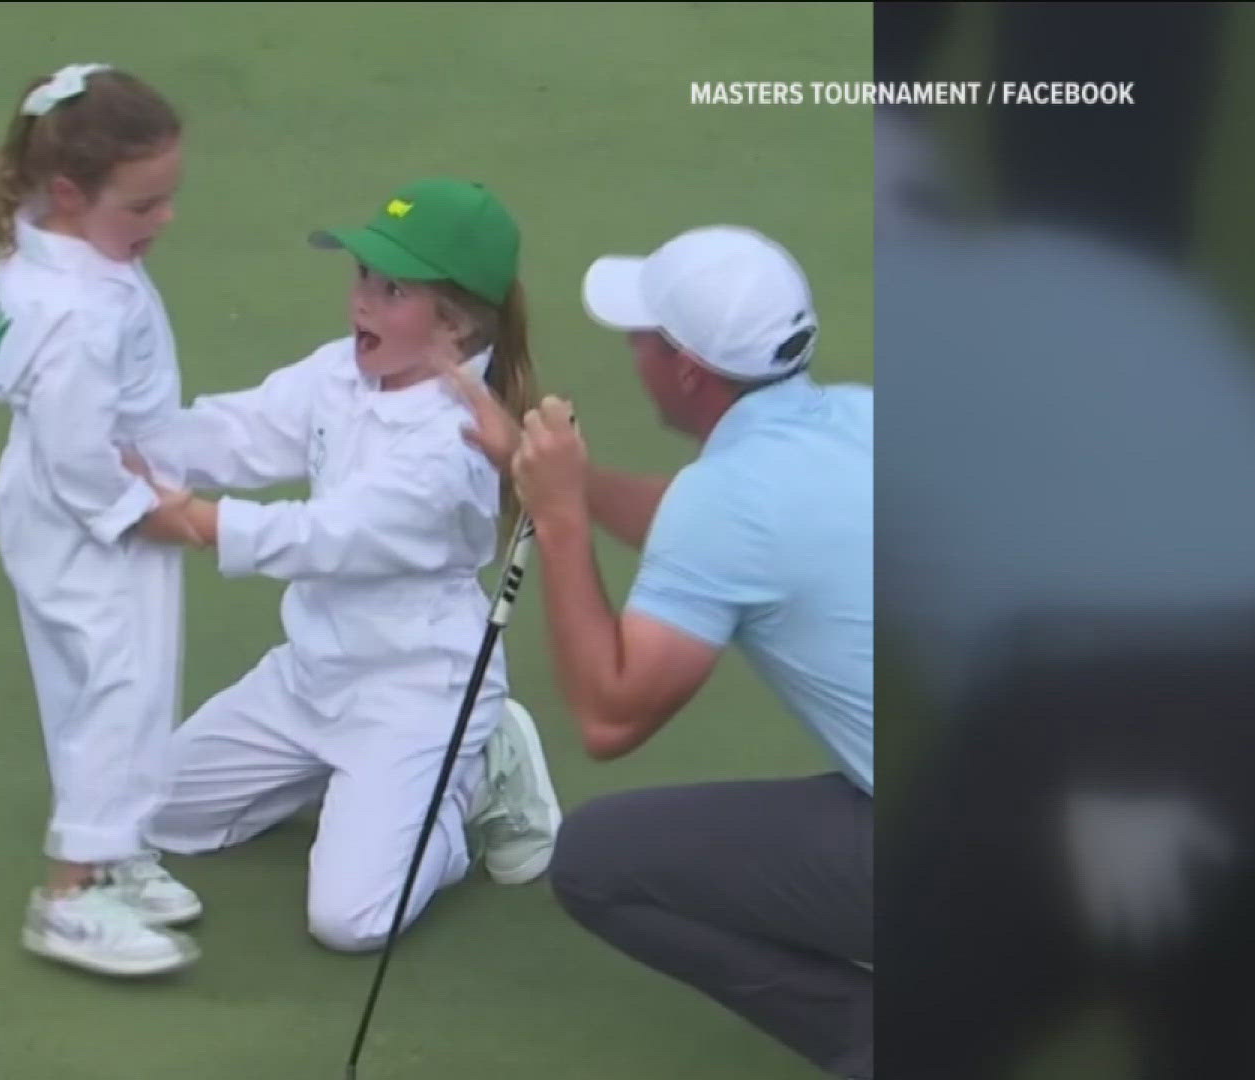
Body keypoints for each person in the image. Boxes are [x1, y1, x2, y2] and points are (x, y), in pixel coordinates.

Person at [451, 226, 875, 1078]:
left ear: (687, 369)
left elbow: (609, 717)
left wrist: (560, 520)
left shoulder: (728, 503)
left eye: (642, 339)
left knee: (598, 863)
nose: (632, 352)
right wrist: (555, 479)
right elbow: (708, 536)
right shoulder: (860, 415)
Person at [125, 178, 565, 953]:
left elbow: (329, 535)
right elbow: (239, 431)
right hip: (309, 677)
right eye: (363, 275)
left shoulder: (452, 444)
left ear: (455, 323)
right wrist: (127, 447)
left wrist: (194, 521)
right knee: (151, 812)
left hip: (414, 694)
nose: (362, 299)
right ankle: (365, 793)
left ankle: (477, 780)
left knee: (352, 919)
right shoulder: (340, 373)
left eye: (393, 290)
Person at [0, 63, 208, 979]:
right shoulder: (77, 313)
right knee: (118, 684)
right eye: (142, 206)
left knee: (117, 678)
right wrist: (147, 509)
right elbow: (77, 452)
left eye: (167, 199)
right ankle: (70, 896)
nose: (164, 220)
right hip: (89, 513)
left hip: (67, 500)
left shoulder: (49, 247)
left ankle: (116, 846)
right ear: (71, 193)